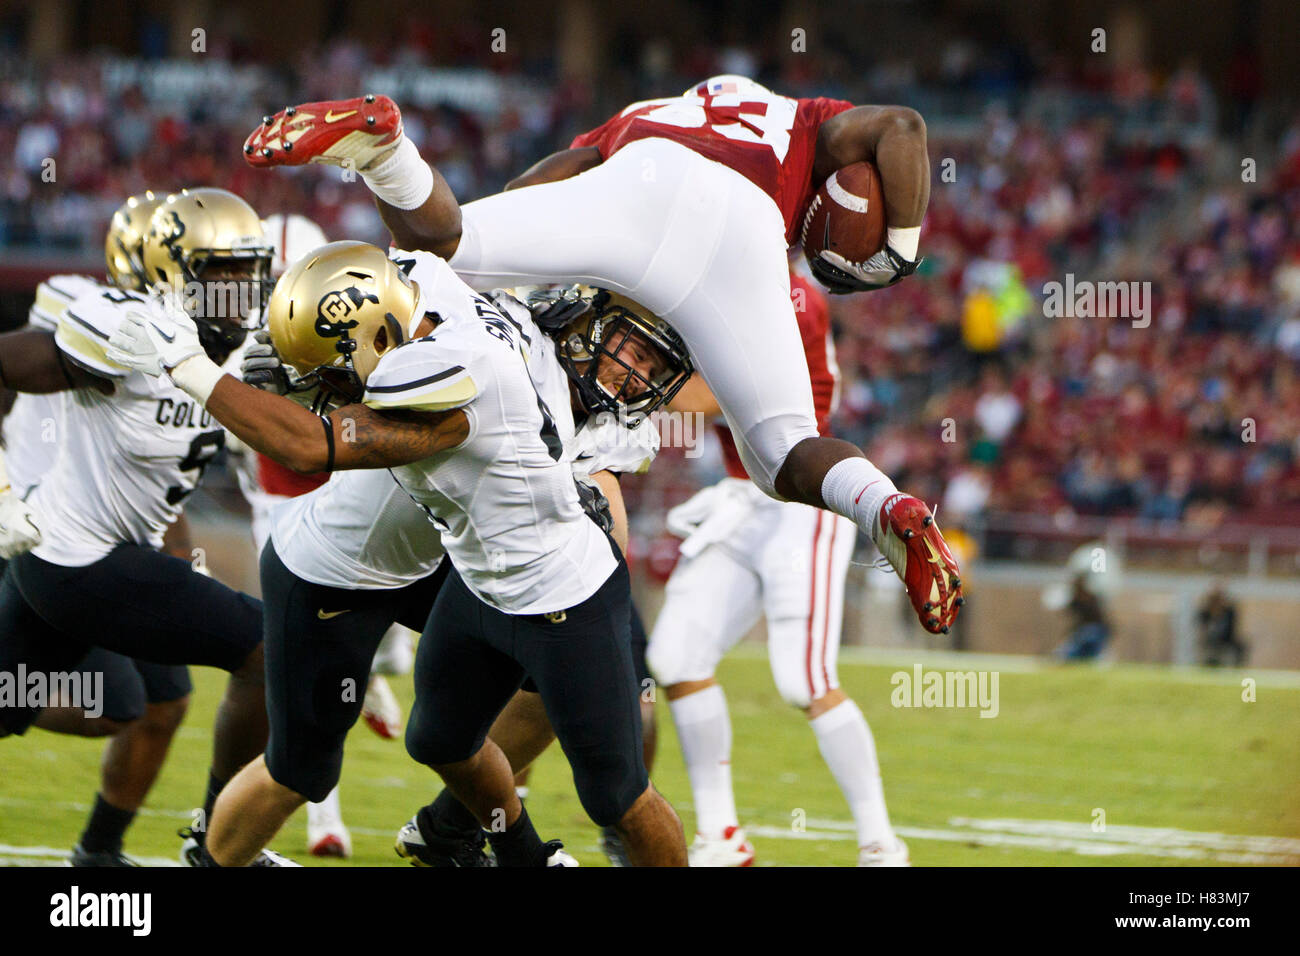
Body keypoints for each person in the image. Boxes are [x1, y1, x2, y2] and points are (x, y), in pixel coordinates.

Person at [241, 79, 963, 637]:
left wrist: (512, 242)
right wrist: (899, 248)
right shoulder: (798, 121)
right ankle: (887, 506)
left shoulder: (653, 112)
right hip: (747, 224)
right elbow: (903, 125)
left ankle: (389, 151)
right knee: (783, 450)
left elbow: (539, 183)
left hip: (639, 179)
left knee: (447, 247)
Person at [106, 240, 692, 866]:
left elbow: (311, 444)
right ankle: (214, 856)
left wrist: (191, 366)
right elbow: (413, 250)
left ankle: (477, 841)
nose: (632, 374)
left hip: (460, 562)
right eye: (629, 349)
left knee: (563, 725)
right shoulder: (443, 300)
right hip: (339, 571)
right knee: (308, 767)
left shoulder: (458, 380)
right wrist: (287, 346)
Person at [0, 187, 292, 866]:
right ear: (173, 272)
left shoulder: (249, 347)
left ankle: (99, 854)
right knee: (269, 652)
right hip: (74, 560)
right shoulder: (127, 329)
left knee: (141, 702)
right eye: (221, 271)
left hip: (99, 562)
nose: (240, 287)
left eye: (248, 269)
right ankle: (220, 839)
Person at [647, 261, 906, 866]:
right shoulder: (722, 282)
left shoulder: (792, 296)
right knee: (675, 657)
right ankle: (722, 834)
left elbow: (712, 397)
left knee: (805, 680)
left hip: (803, 498)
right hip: (745, 498)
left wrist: (624, 376)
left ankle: (880, 845)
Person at [1197, 581, 1247, 667]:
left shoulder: (1229, 612)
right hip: (1211, 641)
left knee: (1240, 646)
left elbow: (1232, 629)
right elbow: (1203, 628)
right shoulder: (1205, 612)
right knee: (1210, 650)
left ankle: (1237, 669)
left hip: (1226, 641)